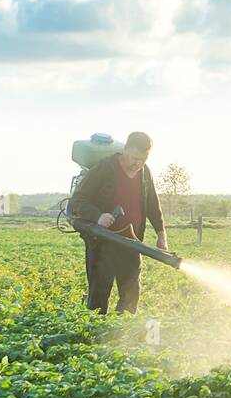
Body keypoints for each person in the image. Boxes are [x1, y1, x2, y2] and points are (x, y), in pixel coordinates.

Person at [71, 131, 169, 314]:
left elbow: (153, 205)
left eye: (143, 160)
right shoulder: (104, 168)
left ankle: (124, 330)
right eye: (134, 158)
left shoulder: (145, 173)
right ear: (125, 150)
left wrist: (161, 233)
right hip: (102, 244)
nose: (138, 164)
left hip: (132, 243)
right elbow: (78, 201)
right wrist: (98, 216)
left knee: (130, 297)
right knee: (99, 299)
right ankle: (97, 330)